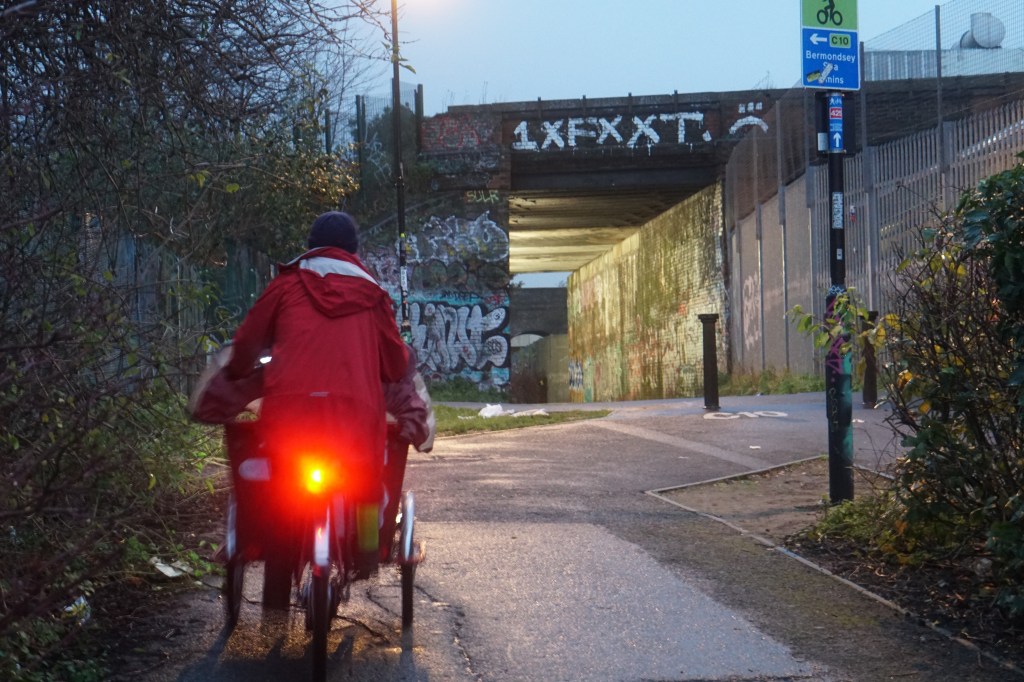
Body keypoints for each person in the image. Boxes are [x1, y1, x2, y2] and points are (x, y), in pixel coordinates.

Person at [225, 211, 409, 608]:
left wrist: (240, 370)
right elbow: (395, 363)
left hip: (289, 415)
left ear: (310, 246)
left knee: (281, 486)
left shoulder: (286, 284)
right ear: (354, 251)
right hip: (355, 418)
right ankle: (363, 553)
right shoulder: (374, 294)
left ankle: (276, 576)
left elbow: (247, 343)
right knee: (363, 481)